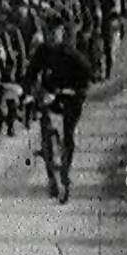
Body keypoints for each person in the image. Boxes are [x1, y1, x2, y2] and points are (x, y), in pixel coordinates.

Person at [23, 21, 93, 203]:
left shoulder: (71, 54)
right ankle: (50, 169)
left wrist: (77, 90)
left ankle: (65, 171)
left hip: (70, 96)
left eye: (54, 33)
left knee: (68, 134)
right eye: (47, 33)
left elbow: (88, 73)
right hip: (50, 95)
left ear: (61, 34)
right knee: (45, 129)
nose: (50, 37)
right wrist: (27, 91)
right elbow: (31, 72)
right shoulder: (43, 52)